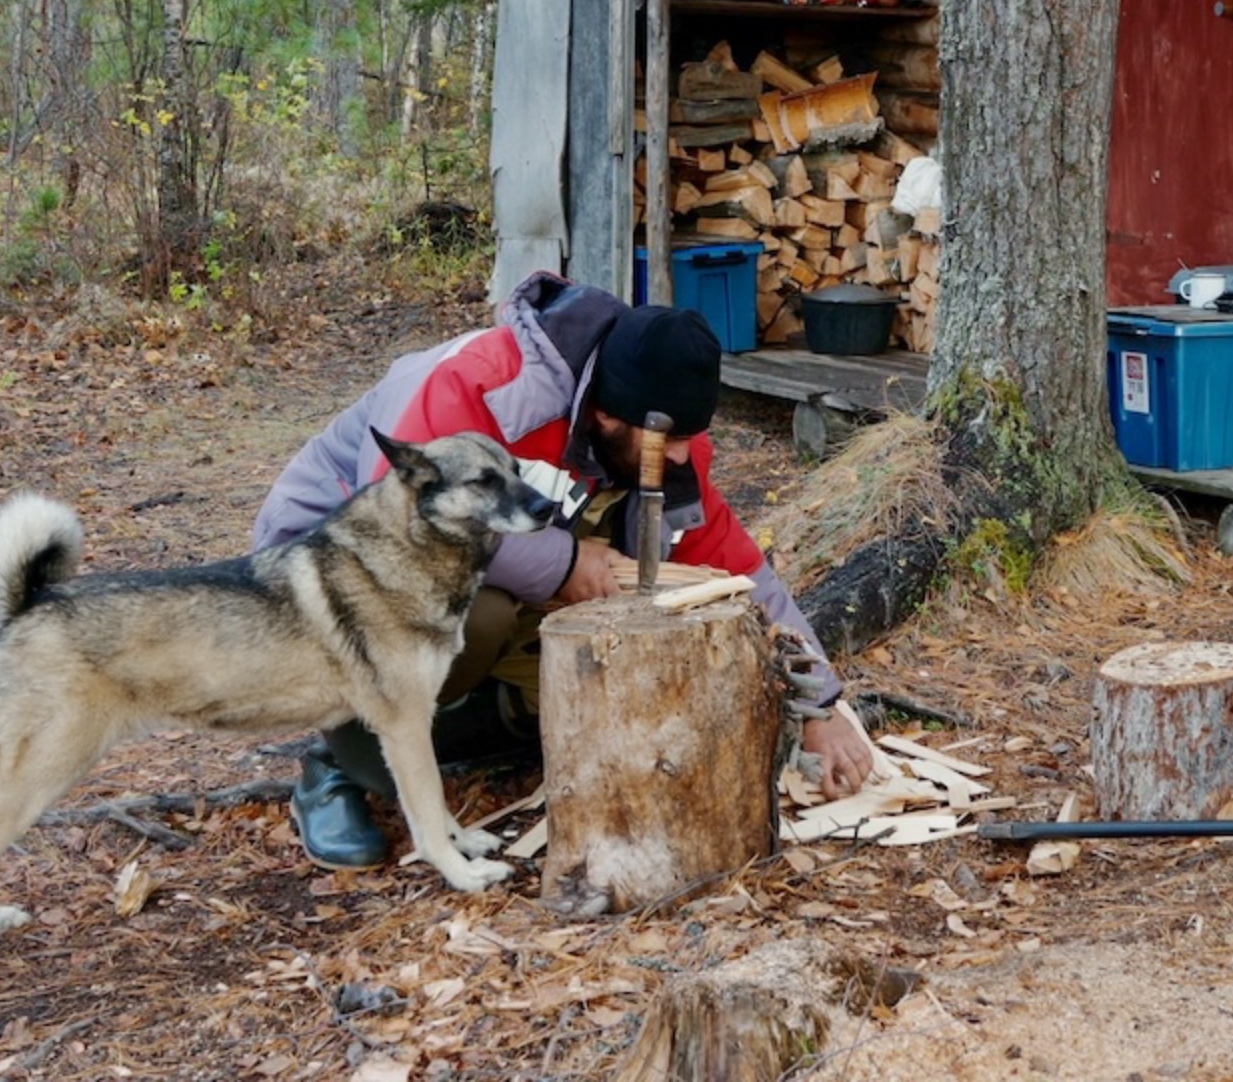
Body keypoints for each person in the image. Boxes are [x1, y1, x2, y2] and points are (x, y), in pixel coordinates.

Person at [254, 271, 875, 870]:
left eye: (692, 435)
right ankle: (339, 759)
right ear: (607, 415)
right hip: (325, 579)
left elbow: (737, 570)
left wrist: (819, 707)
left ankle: (482, 731)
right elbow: (405, 520)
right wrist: (567, 561)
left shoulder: (658, 434)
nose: (686, 455)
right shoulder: (486, 389)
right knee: (480, 613)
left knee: (613, 662)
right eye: (672, 439)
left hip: (460, 556)